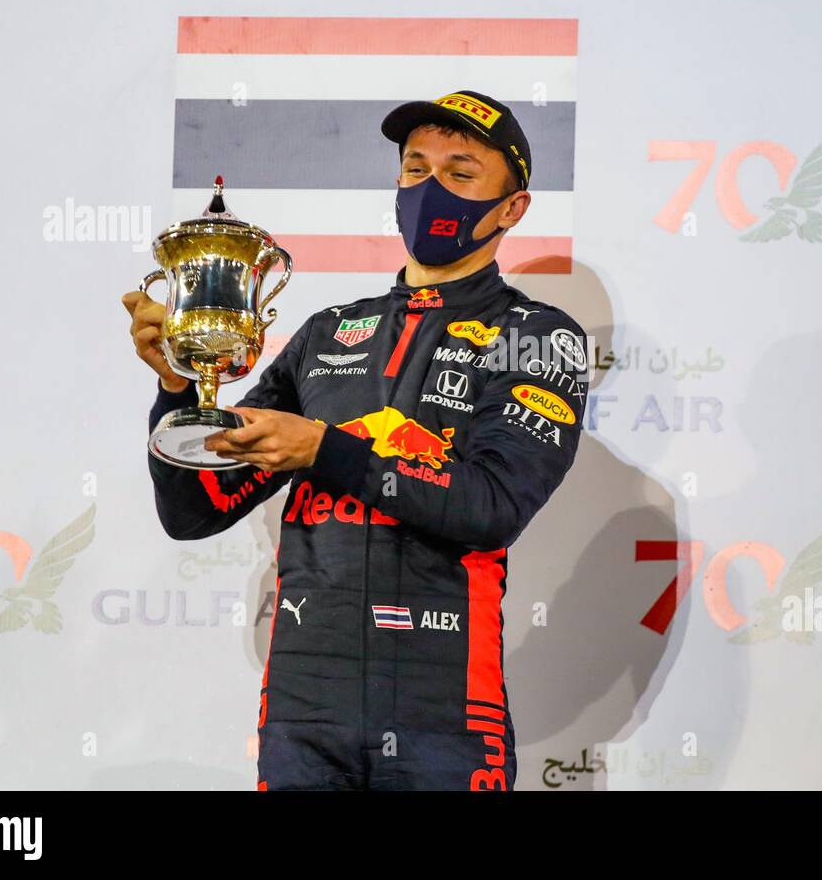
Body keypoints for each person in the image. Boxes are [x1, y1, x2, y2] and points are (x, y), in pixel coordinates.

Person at [120, 90, 589, 790]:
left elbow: (492, 507)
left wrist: (323, 450)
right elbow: (194, 510)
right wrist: (181, 387)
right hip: (304, 713)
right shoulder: (326, 333)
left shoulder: (537, 335)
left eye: (460, 175)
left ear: (512, 207)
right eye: (415, 168)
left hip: (446, 711)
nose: (430, 190)